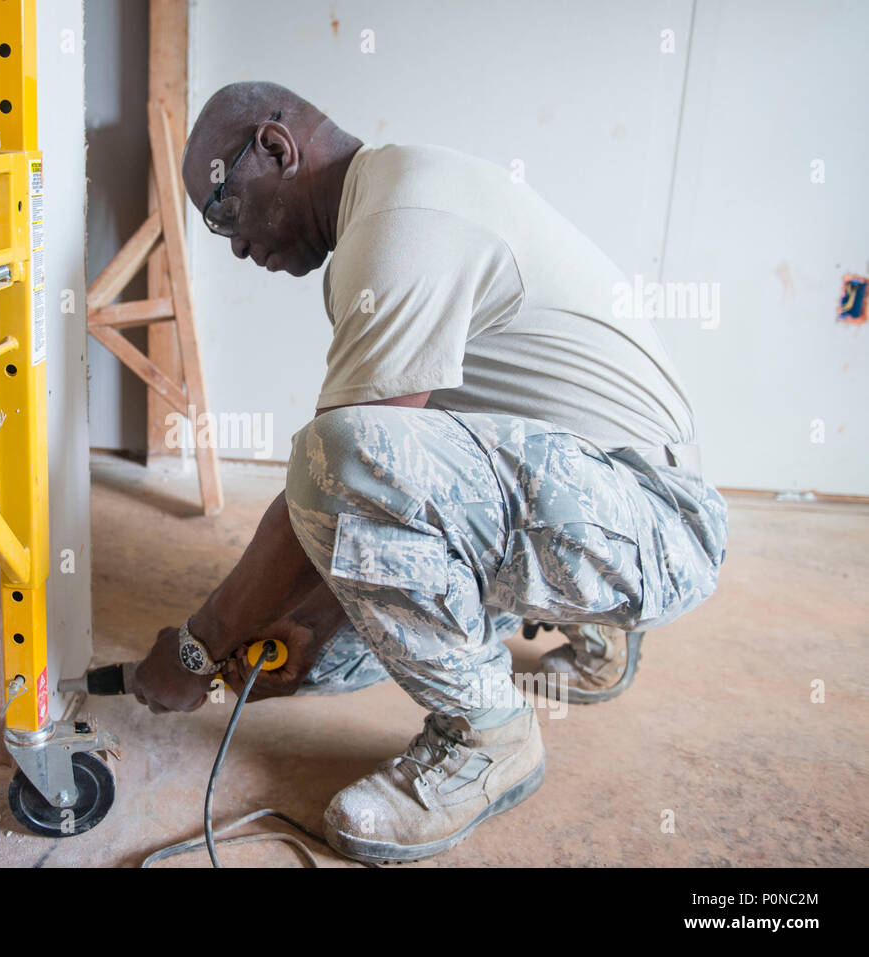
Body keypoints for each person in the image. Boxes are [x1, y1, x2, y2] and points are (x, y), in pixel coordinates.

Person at [131, 81, 727, 864]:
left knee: (333, 457)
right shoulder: (397, 199)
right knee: (317, 644)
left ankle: (489, 739)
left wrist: (198, 645)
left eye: (226, 211)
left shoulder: (402, 222)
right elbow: (400, 490)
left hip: (655, 522)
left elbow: (344, 471)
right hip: (610, 496)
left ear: (276, 149)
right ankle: (594, 623)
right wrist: (310, 622)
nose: (234, 244)